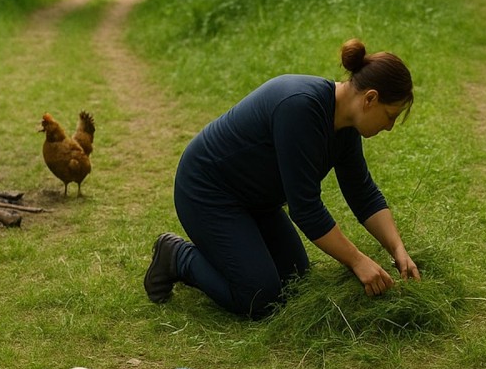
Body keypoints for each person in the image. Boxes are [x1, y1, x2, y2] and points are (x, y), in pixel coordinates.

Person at [143, 38, 421, 318]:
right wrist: (357, 261)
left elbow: (363, 193)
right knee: (259, 297)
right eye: (390, 116)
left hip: (256, 202)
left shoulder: (346, 126)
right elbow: (306, 210)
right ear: (370, 99)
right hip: (207, 192)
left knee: (295, 282)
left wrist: (397, 249)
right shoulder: (300, 107)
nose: (389, 127)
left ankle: (230, 253)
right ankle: (178, 256)